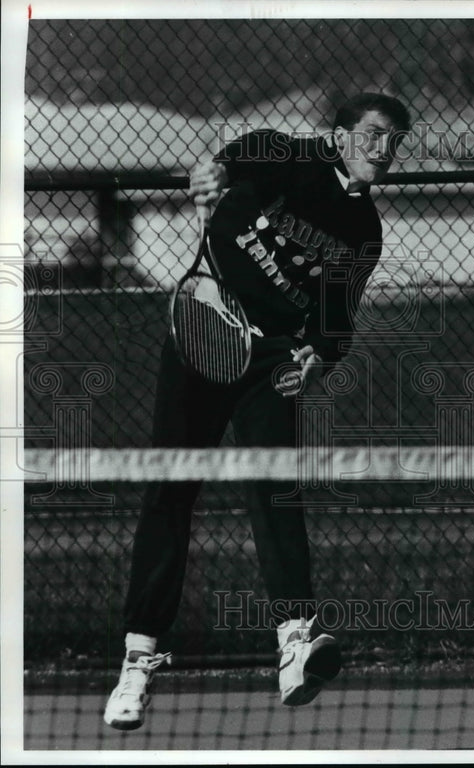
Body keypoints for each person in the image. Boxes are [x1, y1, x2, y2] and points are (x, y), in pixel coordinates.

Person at [104, 92, 410, 730]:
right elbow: (235, 157)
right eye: (375, 135)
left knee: (276, 493)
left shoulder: (363, 231)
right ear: (339, 135)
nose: (384, 151)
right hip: (205, 330)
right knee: (170, 491)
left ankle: (295, 645)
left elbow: (332, 321)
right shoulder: (284, 156)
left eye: (395, 141)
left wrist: (315, 357)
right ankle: (139, 659)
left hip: (270, 362)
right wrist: (213, 170)